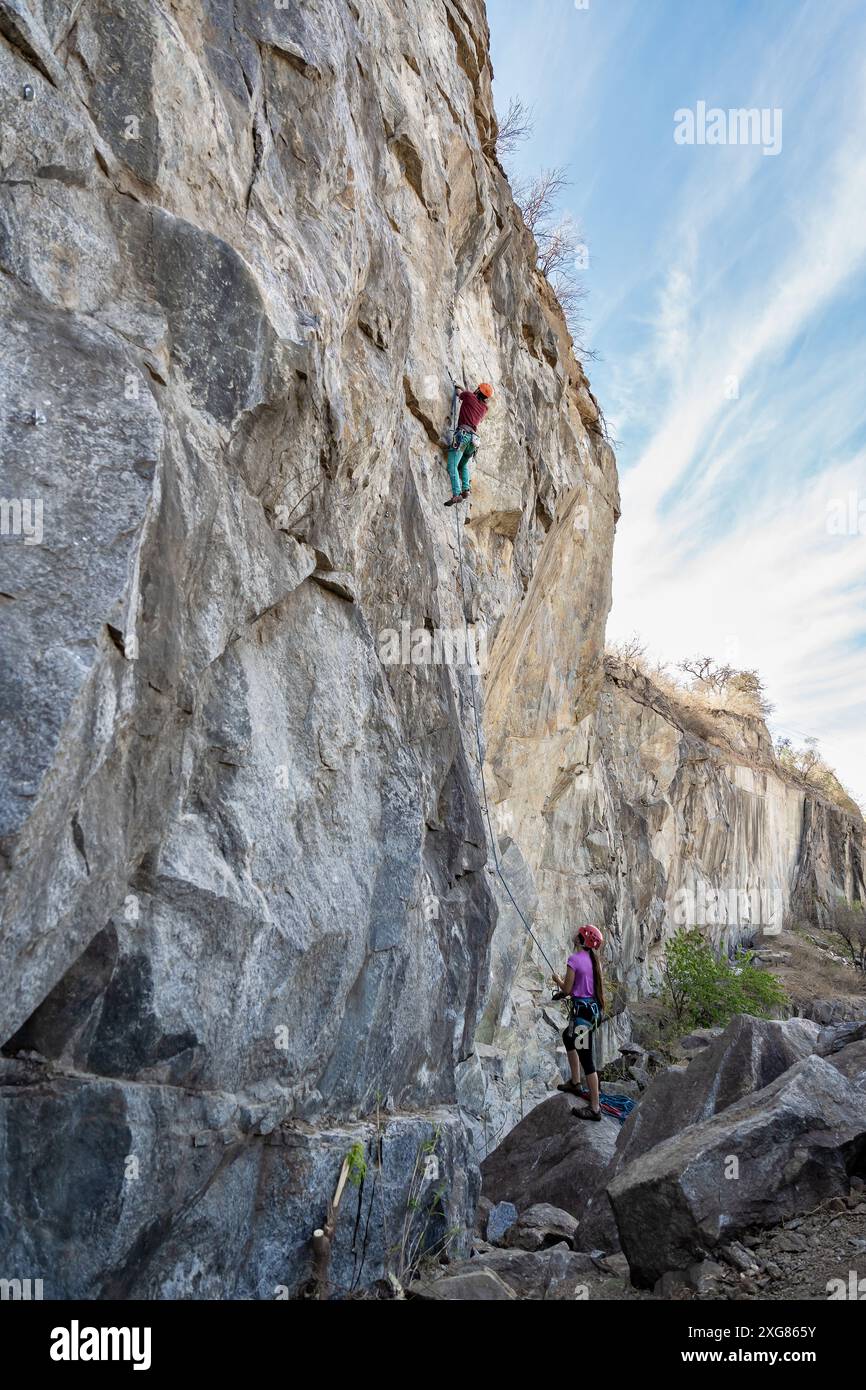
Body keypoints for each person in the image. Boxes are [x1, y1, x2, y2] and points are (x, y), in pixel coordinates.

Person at [551, 924, 606, 1120]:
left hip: (582, 1016)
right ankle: (575, 1082)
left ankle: (595, 1108)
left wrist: (557, 979)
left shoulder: (574, 960)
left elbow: (567, 989)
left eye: (579, 934)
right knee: (568, 1037)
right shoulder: (594, 961)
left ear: (582, 940)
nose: (576, 935)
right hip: (589, 1013)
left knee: (586, 1059)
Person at [444, 382, 494, 506]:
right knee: (462, 464)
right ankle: (466, 489)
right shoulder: (484, 408)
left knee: (452, 465)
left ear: (478, 390)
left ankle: (457, 494)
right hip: (473, 441)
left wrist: (458, 386)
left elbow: (459, 393)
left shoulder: (469, 396)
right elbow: (470, 398)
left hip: (463, 436)